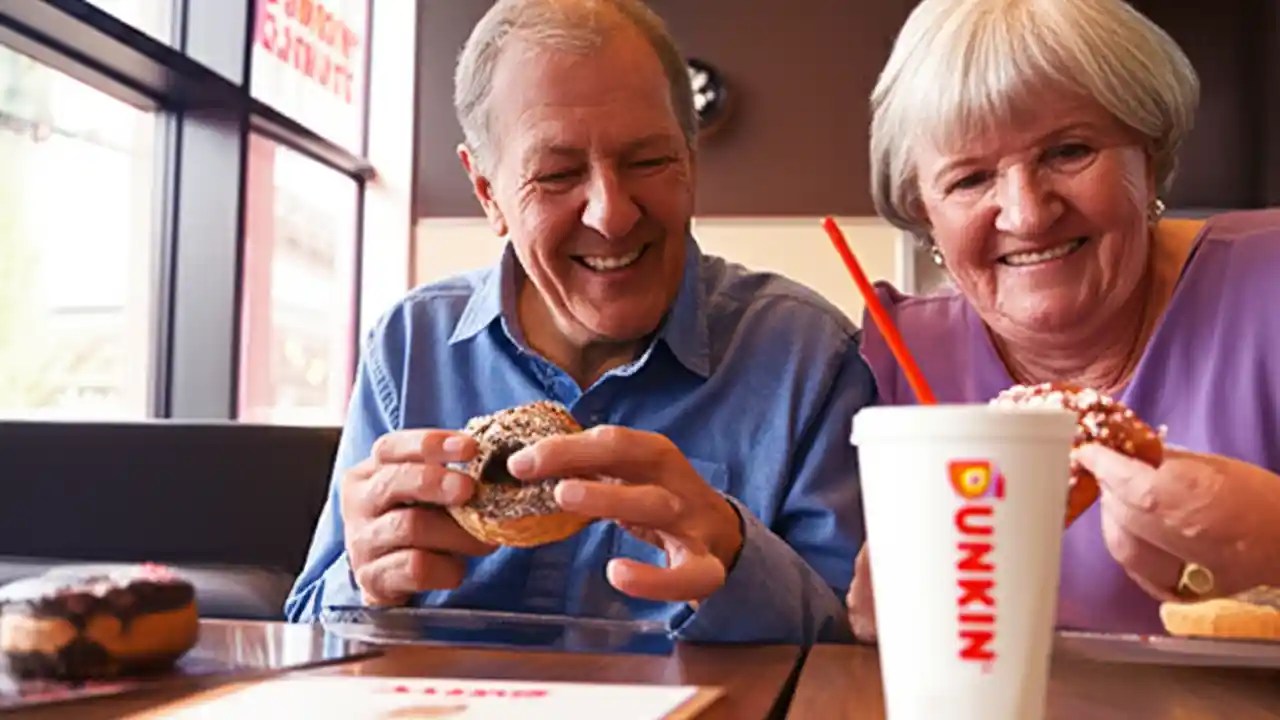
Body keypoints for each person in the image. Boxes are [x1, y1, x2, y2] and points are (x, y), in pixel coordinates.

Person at [285, 0, 875, 645]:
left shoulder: (810, 356)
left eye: (648, 161)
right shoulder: (410, 347)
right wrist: (365, 584)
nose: (612, 215)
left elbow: (856, 649)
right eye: (559, 174)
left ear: (692, 159)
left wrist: (739, 558)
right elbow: (307, 630)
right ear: (488, 192)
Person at [846, 0, 1280, 640]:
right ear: (923, 212)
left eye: (1069, 151)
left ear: (1149, 157)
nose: (1026, 214)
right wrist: (858, 620)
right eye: (970, 180)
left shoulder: (1266, 285)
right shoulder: (887, 362)